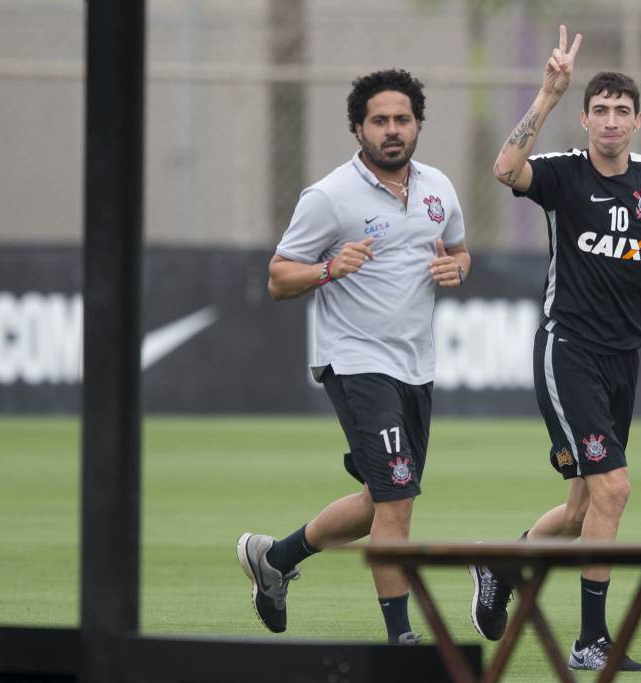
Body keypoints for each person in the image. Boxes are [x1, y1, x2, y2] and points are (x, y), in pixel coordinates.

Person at [469, 26, 641, 672]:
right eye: (600, 109)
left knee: (578, 509)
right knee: (614, 489)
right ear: (587, 116)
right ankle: (593, 638)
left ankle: (500, 562)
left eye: (623, 110)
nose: (612, 120)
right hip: (567, 350)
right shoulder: (565, 174)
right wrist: (546, 93)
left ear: (637, 119)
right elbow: (505, 169)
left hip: (624, 356)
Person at [237, 68, 471, 644]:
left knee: (379, 501)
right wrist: (326, 268)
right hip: (357, 362)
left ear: (417, 124)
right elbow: (277, 277)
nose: (392, 130)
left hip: (418, 365)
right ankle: (401, 640)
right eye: (379, 121)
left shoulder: (439, 188)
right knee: (398, 504)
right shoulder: (329, 196)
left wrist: (456, 268)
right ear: (357, 127)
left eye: (402, 119)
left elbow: (462, 252)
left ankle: (277, 559)